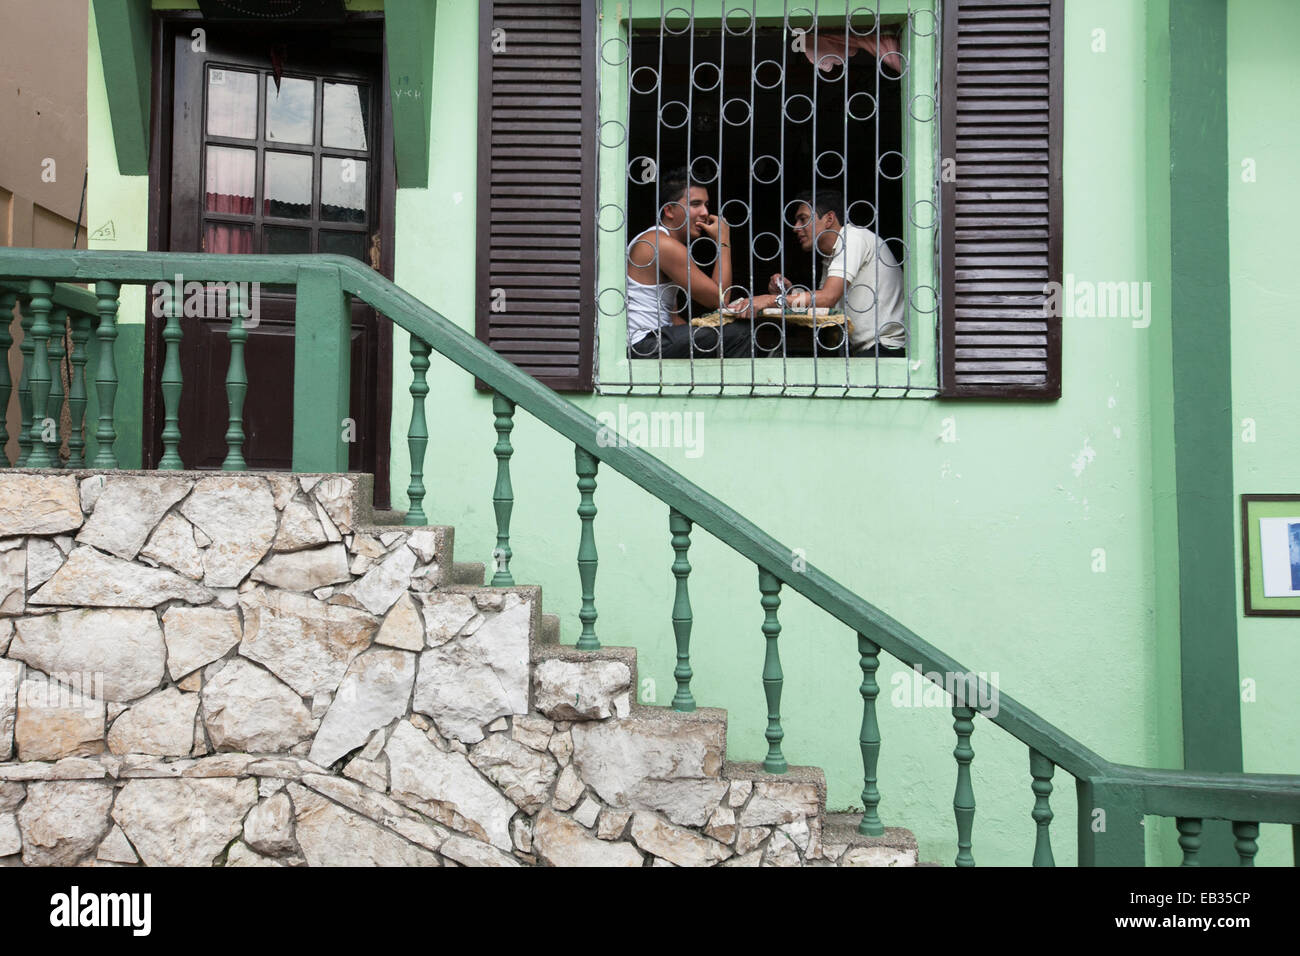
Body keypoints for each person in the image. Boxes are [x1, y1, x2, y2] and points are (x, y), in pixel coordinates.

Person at [731, 190, 907, 356]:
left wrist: (769, 301)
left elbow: (828, 297)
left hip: (885, 350)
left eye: (803, 219)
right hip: (868, 351)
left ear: (829, 218)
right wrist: (789, 294)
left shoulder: (853, 237)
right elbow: (824, 307)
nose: (795, 227)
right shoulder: (833, 253)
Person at [626, 168, 754, 358]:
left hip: (654, 339)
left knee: (721, 332)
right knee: (741, 333)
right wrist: (723, 241)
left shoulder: (660, 239)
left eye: (706, 204)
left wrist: (705, 330)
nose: (705, 212)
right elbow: (720, 299)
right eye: (695, 204)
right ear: (669, 210)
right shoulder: (662, 244)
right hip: (644, 344)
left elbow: (673, 316)